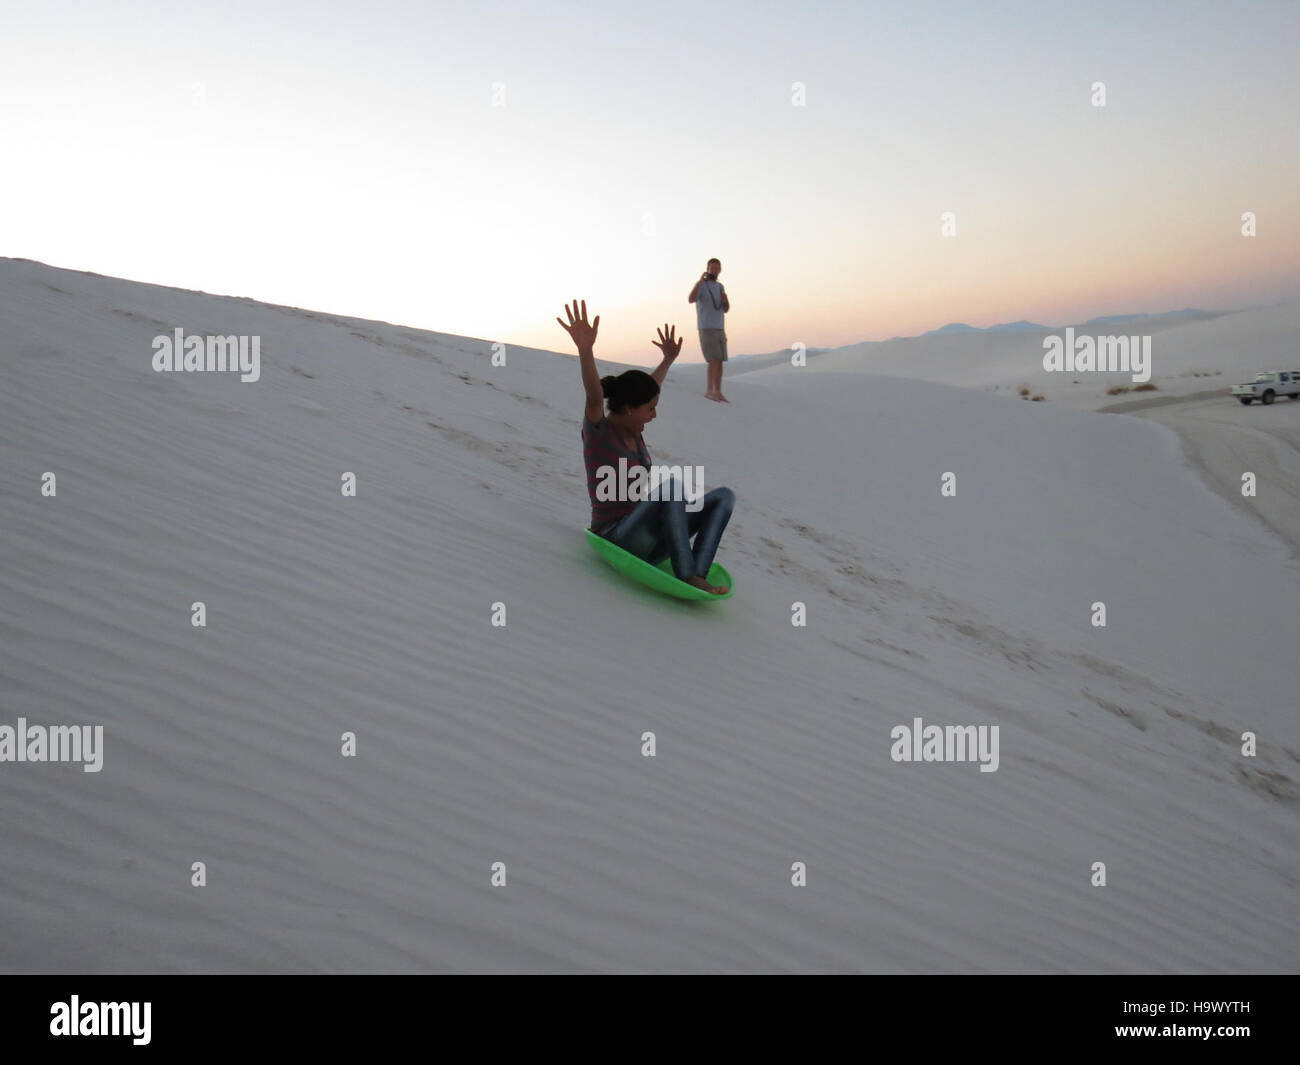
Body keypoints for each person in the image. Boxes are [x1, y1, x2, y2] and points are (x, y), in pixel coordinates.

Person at [557, 299, 734, 595]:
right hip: (616, 537)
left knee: (723, 498)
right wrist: (585, 350)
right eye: (650, 409)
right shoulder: (601, 432)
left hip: (647, 540)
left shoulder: (634, 430)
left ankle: (697, 572)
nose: (654, 415)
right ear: (628, 409)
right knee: (672, 487)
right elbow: (593, 395)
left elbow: (647, 389)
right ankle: (688, 575)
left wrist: (667, 360)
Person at [688, 257, 730, 402]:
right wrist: (700, 281)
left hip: (719, 327)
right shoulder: (701, 285)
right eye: (712, 268)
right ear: (707, 269)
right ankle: (709, 390)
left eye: (717, 268)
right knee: (713, 359)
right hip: (706, 326)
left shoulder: (720, 287)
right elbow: (691, 299)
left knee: (720, 360)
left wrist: (725, 301)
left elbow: (726, 309)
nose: (715, 271)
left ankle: (718, 391)